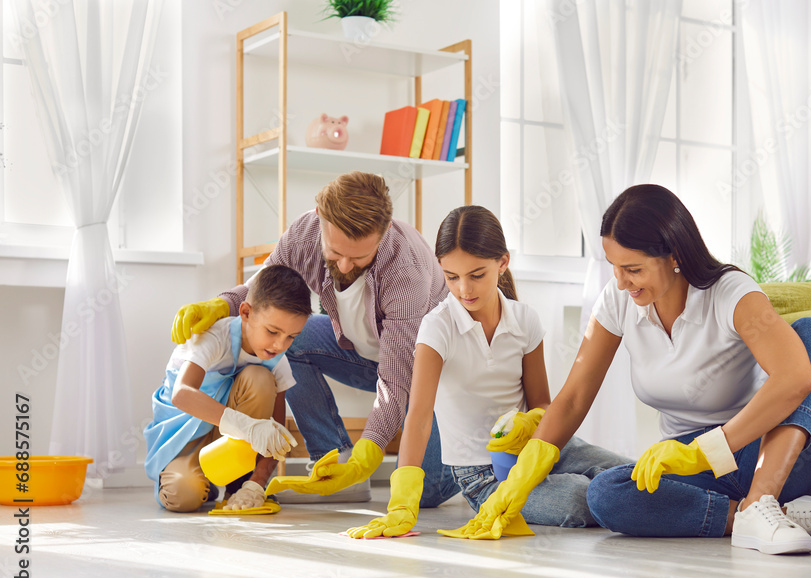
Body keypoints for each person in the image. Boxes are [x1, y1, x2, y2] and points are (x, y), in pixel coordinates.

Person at [448, 184, 811, 554]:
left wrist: (702, 451)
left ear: (675, 255)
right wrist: (520, 480)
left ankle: (762, 499)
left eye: (633, 269)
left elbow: (796, 379)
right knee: (607, 493)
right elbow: (573, 398)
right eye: (614, 267)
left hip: (770, 450)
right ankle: (765, 516)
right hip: (694, 469)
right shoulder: (619, 300)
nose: (621, 282)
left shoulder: (730, 293)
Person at [170, 172, 459, 506]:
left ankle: (471, 462)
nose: (346, 266)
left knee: (426, 492)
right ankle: (332, 460)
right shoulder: (305, 233)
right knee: (289, 337)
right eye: (335, 253)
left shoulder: (406, 270)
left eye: (359, 257)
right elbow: (263, 286)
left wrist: (368, 453)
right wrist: (222, 304)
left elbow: (397, 378)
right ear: (320, 218)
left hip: (426, 374)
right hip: (365, 355)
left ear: (385, 231)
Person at [345, 206, 632, 539]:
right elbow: (419, 418)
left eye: (477, 275)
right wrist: (401, 502)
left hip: (537, 447)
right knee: (579, 500)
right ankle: (598, 493)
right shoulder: (437, 327)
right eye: (452, 277)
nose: (464, 289)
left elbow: (542, 403)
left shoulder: (525, 320)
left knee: (631, 472)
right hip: (482, 476)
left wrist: (529, 423)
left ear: (502, 263)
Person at [144, 265, 311, 512]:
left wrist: (256, 483)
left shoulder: (277, 362)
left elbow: (274, 436)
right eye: (272, 331)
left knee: (260, 378)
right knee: (183, 496)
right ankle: (199, 478)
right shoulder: (213, 337)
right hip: (184, 438)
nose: (279, 345)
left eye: (291, 337)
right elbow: (181, 395)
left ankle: (239, 483)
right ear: (245, 312)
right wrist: (247, 427)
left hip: (227, 443)